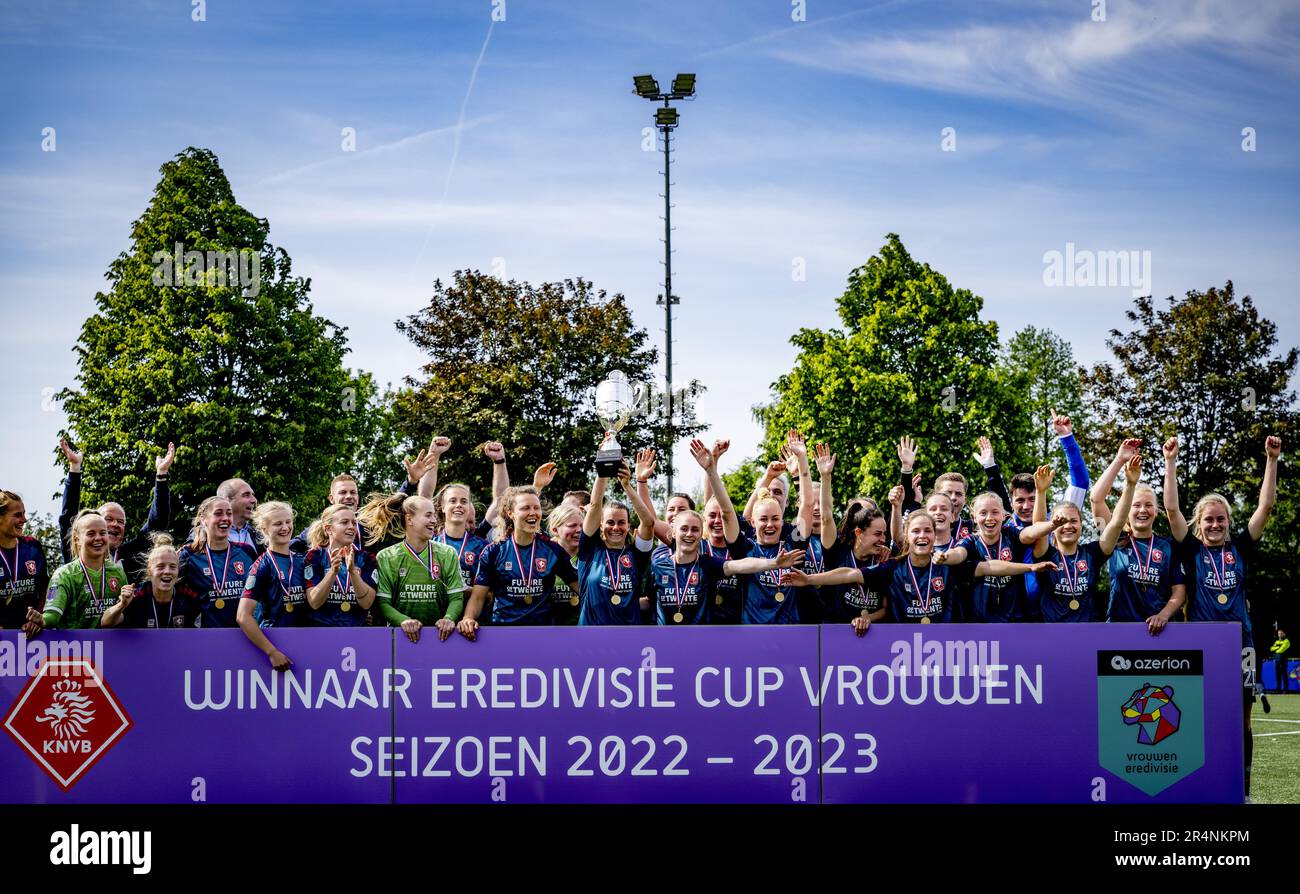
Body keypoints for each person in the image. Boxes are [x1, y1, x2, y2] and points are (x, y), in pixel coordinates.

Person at [1164, 434, 1280, 798]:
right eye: (1209, 519)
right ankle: (1202, 782)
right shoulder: (1190, 549)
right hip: (1201, 643)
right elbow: (1171, 510)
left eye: (1221, 519)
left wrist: (1271, 460)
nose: (1215, 525)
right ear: (1199, 522)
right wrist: (1170, 463)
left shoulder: (1240, 547)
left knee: (1241, 720)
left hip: (1241, 643)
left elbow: (1265, 507)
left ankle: (1242, 789)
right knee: (1200, 716)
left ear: (1229, 521)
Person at [788, 510, 1056, 624]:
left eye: (927, 530)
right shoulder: (892, 567)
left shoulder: (947, 563)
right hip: (904, 650)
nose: (923, 536)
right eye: (916, 531)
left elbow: (990, 567)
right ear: (907, 535)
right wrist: (810, 580)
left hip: (949, 649)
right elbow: (849, 573)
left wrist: (1029, 569)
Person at [649, 439, 804, 625]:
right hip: (707, 631)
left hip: (742, 630)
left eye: (775, 518)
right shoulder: (701, 548)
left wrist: (796, 471)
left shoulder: (758, 541)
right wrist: (711, 469)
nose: (690, 533)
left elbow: (731, 515)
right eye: (710, 517)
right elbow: (651, 521)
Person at [1028, 456, 1137, 622]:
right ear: (1053, 527)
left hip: (1088, 634)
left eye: (1073, 521)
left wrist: (1130, 485)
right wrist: (1041, 492)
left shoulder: (1092, 553)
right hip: (1052, 635)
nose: (1068, 526)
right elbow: (1038, 527)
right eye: (1061, 521)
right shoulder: (1045, 554)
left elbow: (1116, 523)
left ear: (1081, 525)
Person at [459, 486, 578, 636]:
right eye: (525, 508)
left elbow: (581, 587)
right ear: (511, 514)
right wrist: (468, 618)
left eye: (536, 508)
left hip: (543, 634)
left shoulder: (552, 550)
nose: (533, 512)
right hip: (503, 634)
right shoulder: (494, 551)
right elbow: (478, 597)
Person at [932, 492, 1064, 622]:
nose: (989, 518)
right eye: (983, 513)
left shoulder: (1011, 533)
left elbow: (1029, 533)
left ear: (1003, 515)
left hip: (1016, 619)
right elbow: (958, 553)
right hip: (980, 623)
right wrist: (946, 556)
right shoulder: (970, 541)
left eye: (995, 512)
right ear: (974, 517)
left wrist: (1052, 525)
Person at [57, 438, 176, 580]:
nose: (115, 524)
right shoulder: (78, 552)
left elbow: (157, 523)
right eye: (108, 519)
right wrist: (74, 469)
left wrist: (162, 474)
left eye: (120, 521)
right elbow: (69, 519)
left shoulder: (130, 555)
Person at [367, 494, 466, 644]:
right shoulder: (386, 556)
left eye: (434, 515)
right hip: (400, 639)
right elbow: (383, 603)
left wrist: (449, 618)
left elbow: (456, 598)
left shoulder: (448, 553)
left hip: (441, 638)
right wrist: (404, 621)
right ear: (409, 519)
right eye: (428, 515)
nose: (434, 520)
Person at [577, 446, 657, 626]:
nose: (615, 527)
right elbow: (596, 505)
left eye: (621, 522)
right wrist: (604, 465)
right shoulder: (589, 550)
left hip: (628, 639)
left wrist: (627, 486)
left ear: (629, 526)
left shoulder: (637, 555)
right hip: (591, 641)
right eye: (610, 522)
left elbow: (648, 523)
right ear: (600, 525)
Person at [1104, 475, 1186, 633]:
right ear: (1127, 511)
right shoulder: (1115, 540)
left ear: (1155, 511)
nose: (1143, 510)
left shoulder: (1168, 546)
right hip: (1119, 631)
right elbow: (1096, 500)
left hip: (1159, 632)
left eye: (1148, 505)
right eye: (1136, 505)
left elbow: (1179, 591)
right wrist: (1128, 479)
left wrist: (1163, 616)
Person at [40, 511, 130, 630]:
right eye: (91, 534)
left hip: (111, 646)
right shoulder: (64, 574)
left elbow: (125, 615)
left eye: (103, 533)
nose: (98, 538)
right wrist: (41, 620)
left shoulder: (117, 572)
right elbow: (52, 616)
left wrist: (122, 605)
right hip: (75, 647)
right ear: (77, 539)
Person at [177, 497, 259, 628]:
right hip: (207, 637)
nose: (225, 518)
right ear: (204, 519)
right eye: (218, 513)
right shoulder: (188, 554)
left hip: (244, 635)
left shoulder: (246, 551)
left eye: (229, 513)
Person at [819, 500, 891, 634]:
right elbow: (826, 518)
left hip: (873, 635)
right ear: (858, 532)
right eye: (877, 534)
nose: (883, 539)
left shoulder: (884, 560)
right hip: (836, 633)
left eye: (884, 533)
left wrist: (867, 618)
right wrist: (826, 478)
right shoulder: (839, 553)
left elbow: (886, 608)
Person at [239, 502, 310, 636]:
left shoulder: (303, 560)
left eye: (288, 522)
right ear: (264, 529)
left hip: (305, 639)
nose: (285, 528)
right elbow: (243, 616)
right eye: (278, 524)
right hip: (275, 638)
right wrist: (271, 652)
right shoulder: (262, 565)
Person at [100, 533, 199, 629]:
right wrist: (122, 605)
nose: (167, 571)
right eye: (160, 566)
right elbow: (106, 623)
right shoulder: (135, 598)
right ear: (149, 571)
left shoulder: (189, 597)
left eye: (173, 567)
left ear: (178, 571)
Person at [304, 505, 377, 627]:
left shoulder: (366, 558)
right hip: (322, 632)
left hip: (357, 633)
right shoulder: (315, 556)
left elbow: (367, 603)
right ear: (328, 529)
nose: (351, 527)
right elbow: (314, 602)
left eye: (354, 523)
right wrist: (332, 572)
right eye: (344, 522)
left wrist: (353, 572)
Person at [0, 490, 49, 634]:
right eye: (17, 515)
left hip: (31, 635)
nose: (24, 519)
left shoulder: (32, 546)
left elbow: (46, 588)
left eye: (24, 513)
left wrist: (39, 618)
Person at [216, 478, 260, 554]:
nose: (254, 500)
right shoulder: (204, 534)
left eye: (253, 495)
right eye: (246, 495)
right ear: (226, 500)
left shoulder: (259, 536)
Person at [1269, 627, 1291, 694]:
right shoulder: (1277, 641)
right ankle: (1278, 689)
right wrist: (1277, 648)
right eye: (1279, 634)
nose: (1280, 635)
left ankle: (1285, 690)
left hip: (1283, 660)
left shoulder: (1287, 641)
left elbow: (1281, 650)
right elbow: (1271, 649)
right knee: (1278, 675)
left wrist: (1276, 649)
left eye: (1281, 633)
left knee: (1284, 675)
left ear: (1284, 634)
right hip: (1277, 660)